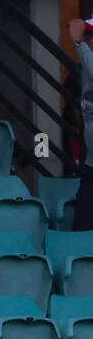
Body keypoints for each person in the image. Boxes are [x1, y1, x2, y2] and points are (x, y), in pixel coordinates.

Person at [73, 16, 93, 230]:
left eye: (90, 37)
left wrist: (79, 45)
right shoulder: (87, 64)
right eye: (86, 36)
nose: (87, 41)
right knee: (82, 229)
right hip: (91, 165)